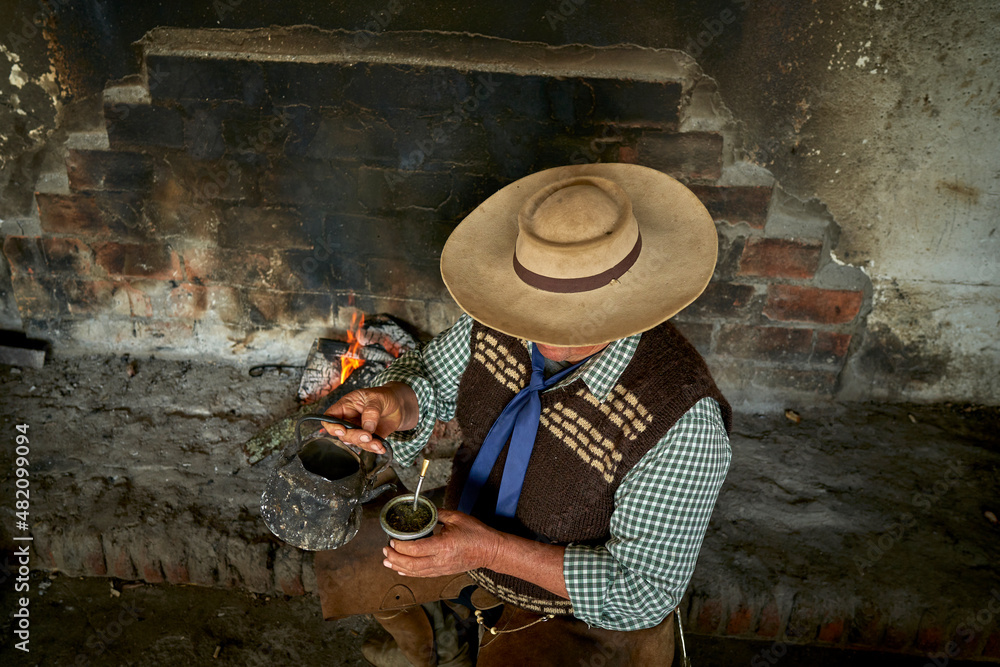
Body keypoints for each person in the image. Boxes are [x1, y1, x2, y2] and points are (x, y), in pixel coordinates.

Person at [314, 163, 732, 666]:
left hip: (579, 616)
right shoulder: (507, 318)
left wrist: (490, 552)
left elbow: (642, 590)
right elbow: (432, 381)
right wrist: (392, 404)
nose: (540, 333)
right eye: (534, 309)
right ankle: (429, 641)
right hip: (468, 536)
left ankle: (459, 623)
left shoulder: (683, 419)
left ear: (628, 297)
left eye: (569, 318)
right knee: (341, 543)